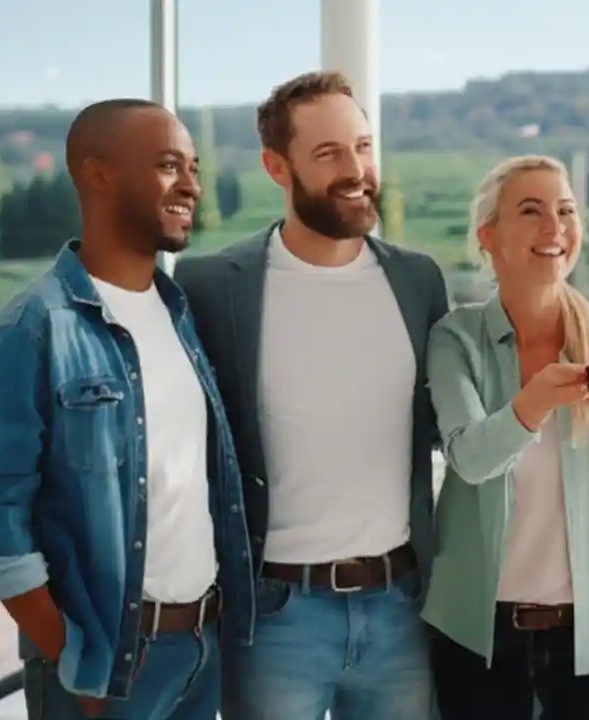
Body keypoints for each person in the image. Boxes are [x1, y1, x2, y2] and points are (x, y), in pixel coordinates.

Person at [0, 99, 254, 719]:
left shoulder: (180, 314)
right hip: (109, 669)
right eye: (170, 165)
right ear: (99, 175)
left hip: (202, 651)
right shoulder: (32, 328)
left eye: (193, 167)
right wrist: (76, 664)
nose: (192, 185)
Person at [174, 71, 448, 720]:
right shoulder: (213, 287)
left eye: (363, 146)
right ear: (277, 167)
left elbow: (448, 428)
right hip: (276, 615)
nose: (356, 169)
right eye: (328, 154)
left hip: (400, 607)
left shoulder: (417, 281)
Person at [423, 154, 589, 720]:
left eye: (566, 211)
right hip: (480, 639)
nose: (555, 227)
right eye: (532, 210)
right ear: (489, 237)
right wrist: (536, 399)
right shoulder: (457, 341)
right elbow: (470, 457)